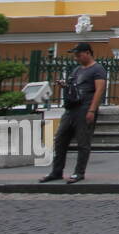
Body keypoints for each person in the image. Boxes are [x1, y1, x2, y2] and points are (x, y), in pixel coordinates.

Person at [38, 43, 107, 185]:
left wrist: (92, 110)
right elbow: (73, 86)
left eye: (78, 54)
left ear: (87, 53)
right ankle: (56, 171)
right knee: (60, 140)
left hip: (85, 109)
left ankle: (79, 172)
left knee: (83, 142)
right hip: (70, 110)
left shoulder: (97, 69)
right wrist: (65, 85)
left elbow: (99, 90)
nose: (76, 57)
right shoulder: (77, 70)